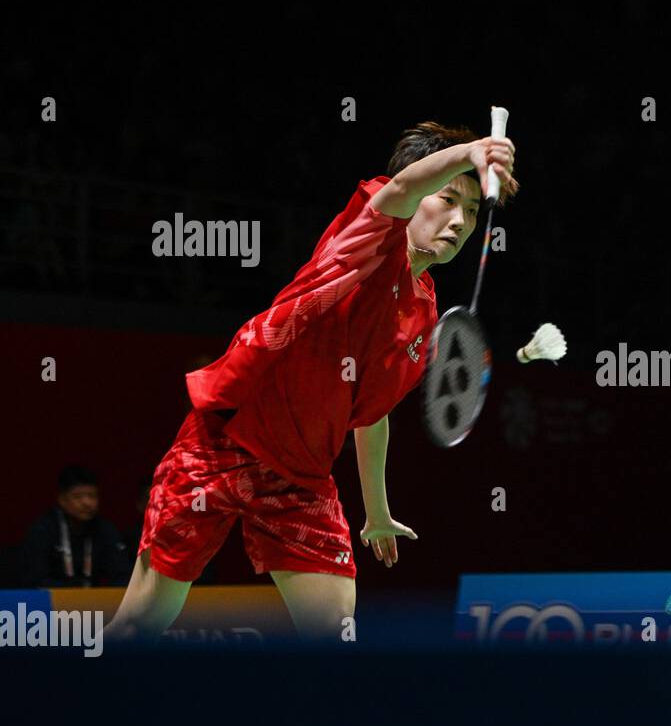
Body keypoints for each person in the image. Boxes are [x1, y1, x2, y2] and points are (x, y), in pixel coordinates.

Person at [104, 120, 518, 643]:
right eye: (447, 199)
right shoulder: (365, 239)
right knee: (143, 620)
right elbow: (400, 188)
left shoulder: (422, 312)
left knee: (333, 631)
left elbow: (371, 415)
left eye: (473, 210)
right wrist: (471, 152)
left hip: (299, 479)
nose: (460, 221)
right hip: (221, 441)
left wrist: (379, 512)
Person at [20, 465, 132, 587]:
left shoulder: (105, 529)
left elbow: (123, 575)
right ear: (62, 500)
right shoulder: (43, 530)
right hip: (52, 602)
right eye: (77, 497)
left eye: (92, 496)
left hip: (94, 602)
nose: (87, 503)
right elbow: (36, 579)